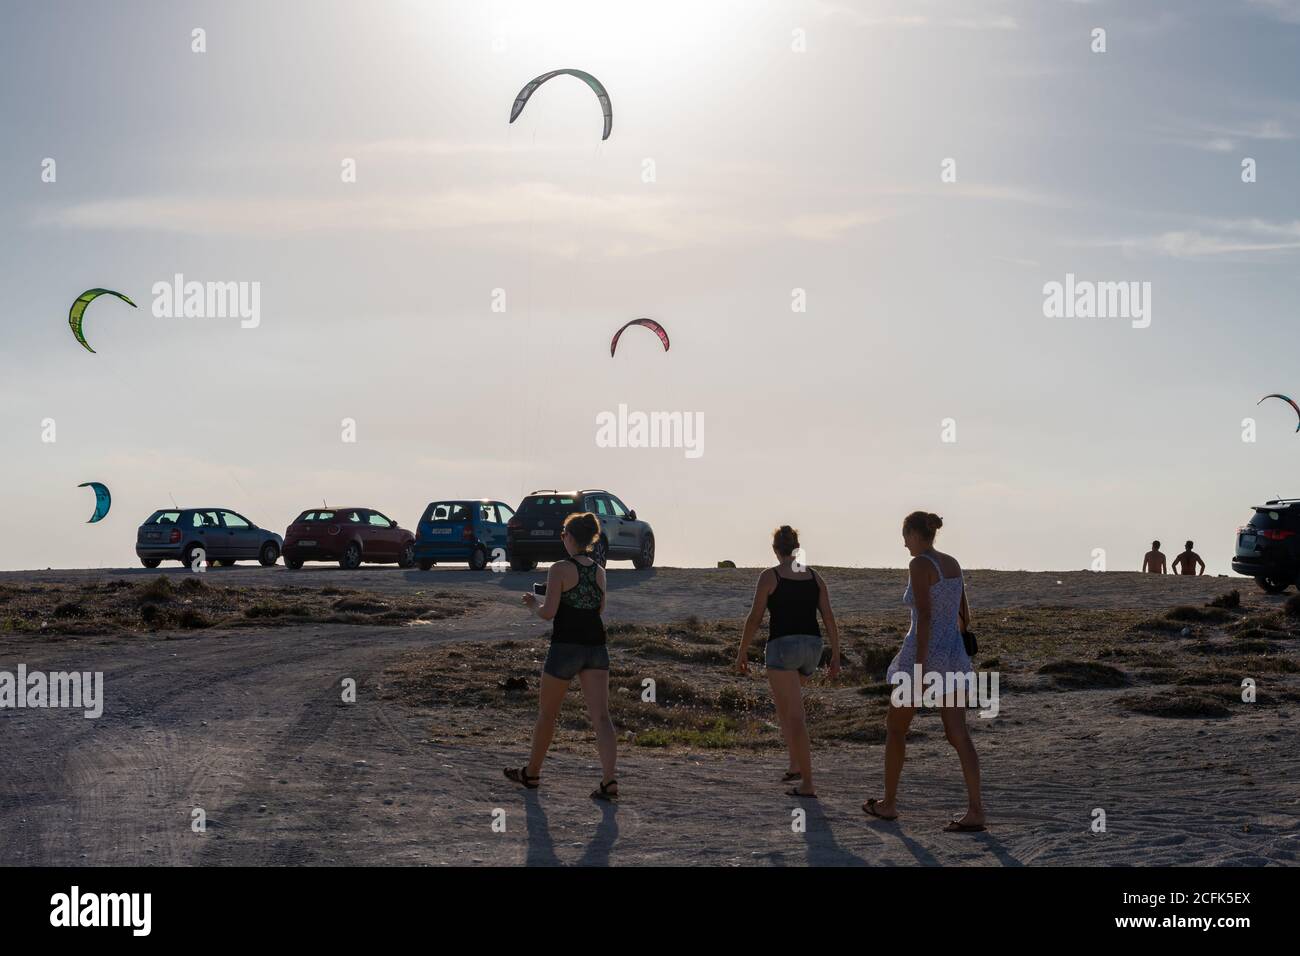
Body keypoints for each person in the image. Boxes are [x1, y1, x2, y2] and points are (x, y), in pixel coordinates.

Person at [863, 511, 986, 832]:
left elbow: (925, 615)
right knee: (958, 735)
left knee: (895, 728)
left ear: (915, 534)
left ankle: (888, 804)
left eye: (905, 536)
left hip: (921, 654)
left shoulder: (919, 564)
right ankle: (976, 810)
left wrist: (918, 667)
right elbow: (965, 617)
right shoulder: (953, 564)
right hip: (953, 654)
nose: (903, 543)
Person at [505, 512, 618, 801]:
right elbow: (600, 609)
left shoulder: (558, 569)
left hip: (565, 646)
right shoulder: (600, 572)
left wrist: (532, 604)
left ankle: (532, 773)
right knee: (602, 718)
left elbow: (548, 613)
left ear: (569, 537)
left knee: (547, 715)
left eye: (563, 534)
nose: (562, 539)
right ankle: (609, 781)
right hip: (595, 646)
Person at [736, 526, 841, 798]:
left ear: (775, 549)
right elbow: (828, 617)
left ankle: (808, 783)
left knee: (795, 716)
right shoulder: (814, 577)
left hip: (783, 647)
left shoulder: (770, 577)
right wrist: (836, 655)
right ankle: (795, 765)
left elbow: (755, 617)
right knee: (786, 708)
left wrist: (742, 650)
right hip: (812, 648)